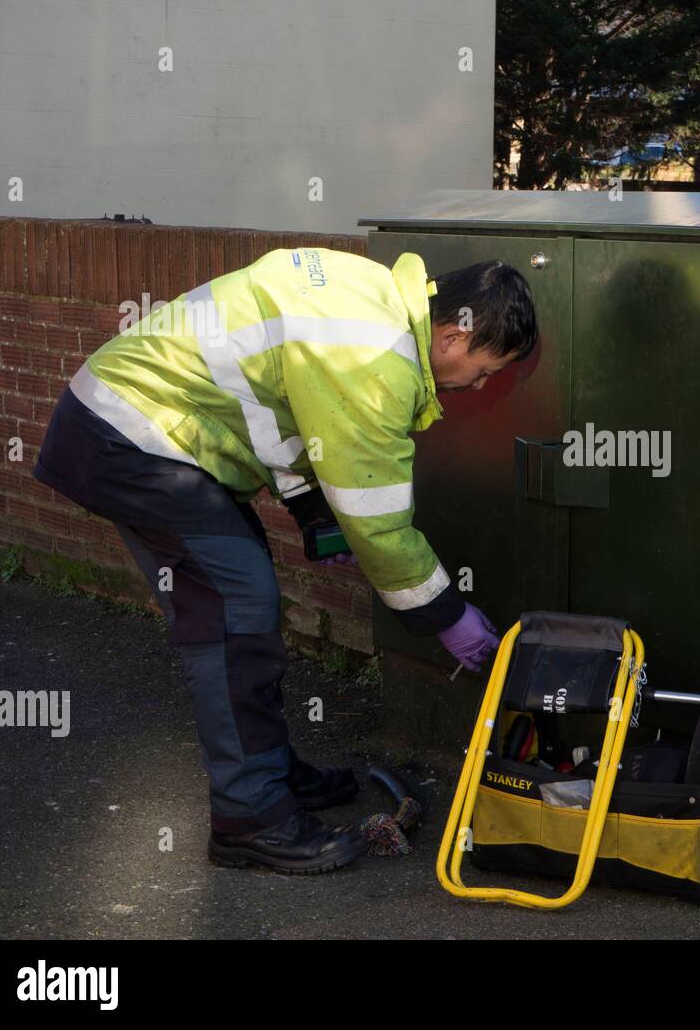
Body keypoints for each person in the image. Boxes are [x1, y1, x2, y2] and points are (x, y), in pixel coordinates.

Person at [31, 247, 538, 874]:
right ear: (455, 334)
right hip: (135, 435)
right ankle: (249, 816)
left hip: (137, 425)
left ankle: (266, 773)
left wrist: (313, 514)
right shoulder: (378, 357)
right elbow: (380, 524)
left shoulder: (370, 292)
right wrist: (447, 615)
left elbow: (279, 405)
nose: (478, 386)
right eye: (485, 369)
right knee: (234, 610)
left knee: (242, 604)